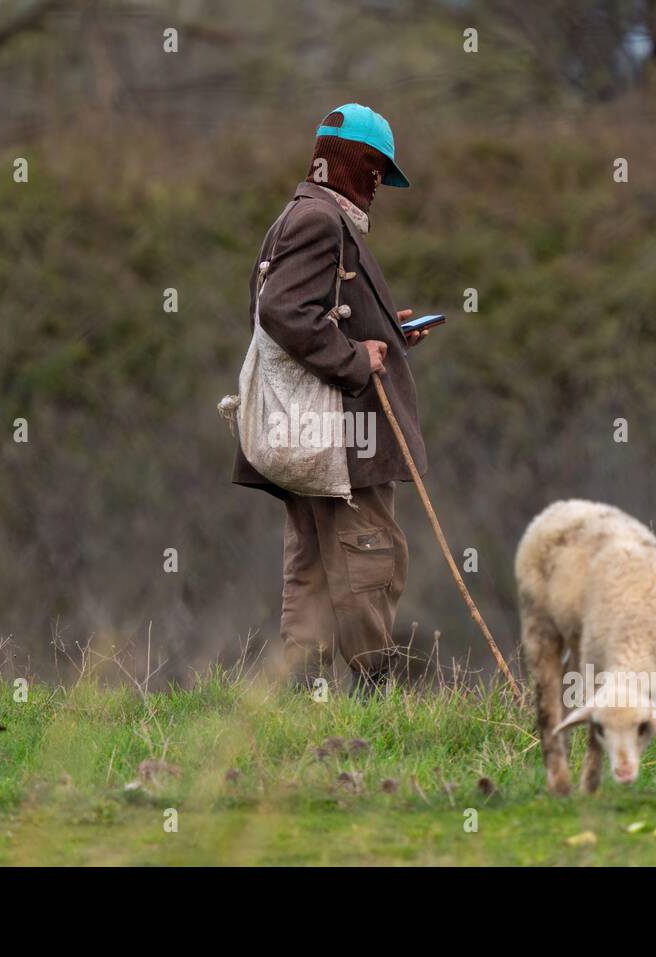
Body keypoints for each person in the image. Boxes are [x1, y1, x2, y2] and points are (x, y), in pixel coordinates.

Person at [232, 103, 428, 693]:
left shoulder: (297, 216)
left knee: (313, 565)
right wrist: (351, 361)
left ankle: (307, 697)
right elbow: (282, 312)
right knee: (369, 557)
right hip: (340, 438)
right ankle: (376, 698)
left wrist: (387, 332)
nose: (377, 184)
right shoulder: (321, 221)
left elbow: (299, 311)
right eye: (374, 168)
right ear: (349, 161)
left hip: (310, 435)